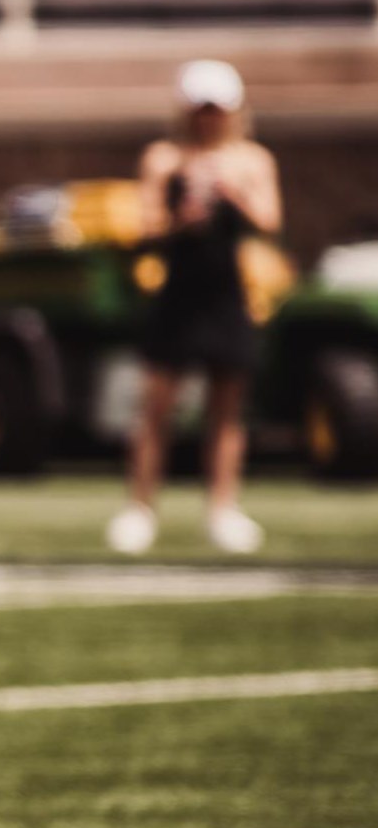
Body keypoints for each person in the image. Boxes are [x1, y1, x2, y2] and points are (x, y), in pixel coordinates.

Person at [108, 59, 282, 556]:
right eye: (201, 109)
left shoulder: (250, 160)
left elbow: (270, 221)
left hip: (225, 292)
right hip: (178, 292)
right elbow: (145, 228)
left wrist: (231, 194)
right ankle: (140, 509)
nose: (208, 119)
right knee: (157, 407)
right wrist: (181, 219)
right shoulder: (165, 158)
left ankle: (223, 509)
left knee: (226, 409)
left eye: (216, 110)